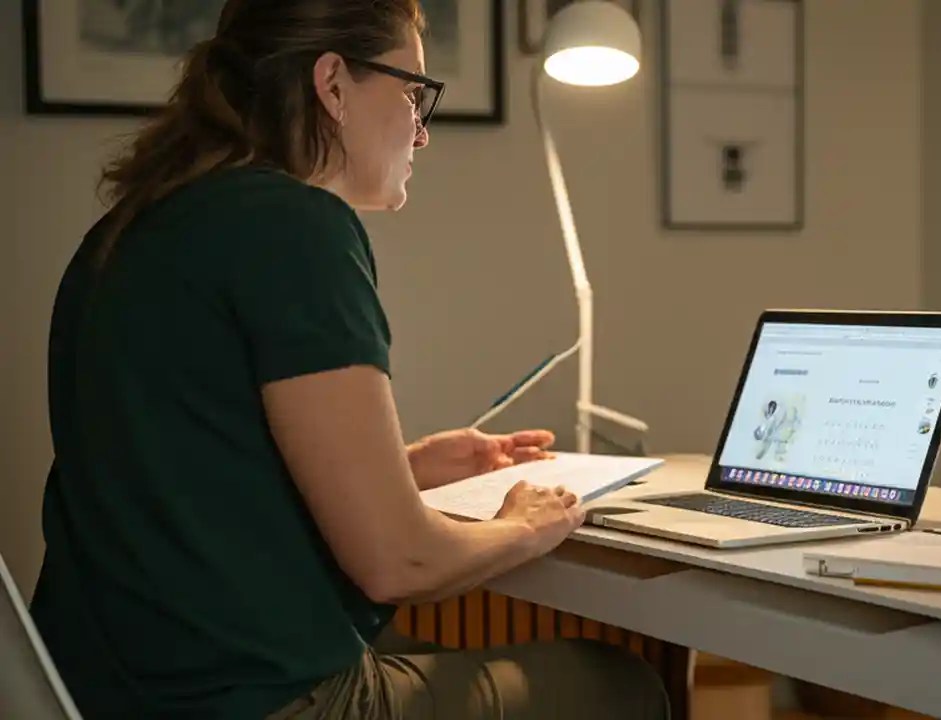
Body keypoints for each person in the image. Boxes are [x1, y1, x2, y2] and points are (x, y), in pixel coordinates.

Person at [29, 1, 670, 718]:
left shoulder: (134, 226)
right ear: (332, 83)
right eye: (412, 93)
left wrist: (412, 465)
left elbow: (195, 476)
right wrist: (525, 524)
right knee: (621, 687)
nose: (422, 133)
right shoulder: (296, 228)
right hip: (244, 698)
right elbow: (400, 560)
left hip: (101, 687)